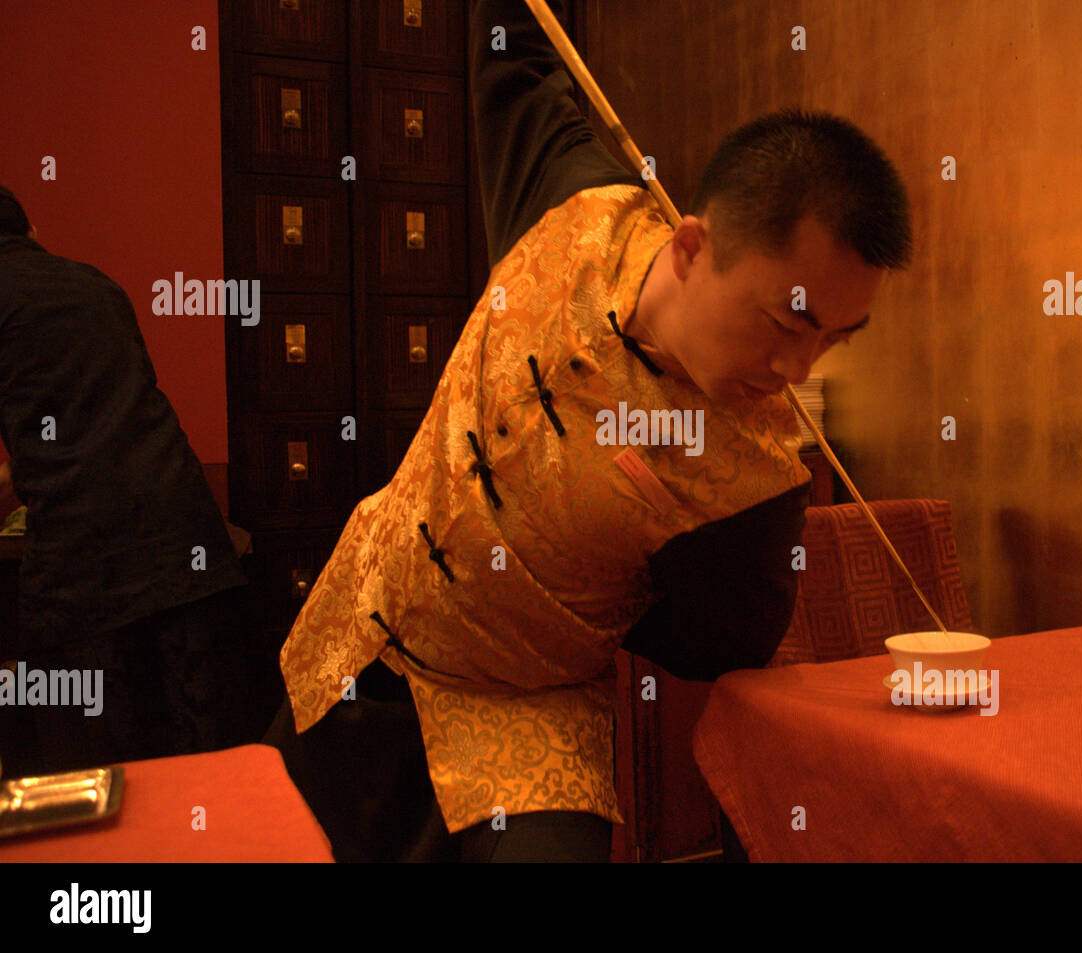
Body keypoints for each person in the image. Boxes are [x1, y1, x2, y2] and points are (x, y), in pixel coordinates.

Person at [264, 0, 912, 863]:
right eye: (789, 322)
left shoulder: (757, 487)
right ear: (691, 245)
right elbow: (517, 54)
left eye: (835, 337)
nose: (800, 370)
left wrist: (585, 594)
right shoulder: (572, 199)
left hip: (522, 710)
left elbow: (720, 642)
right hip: (363, 615)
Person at [0, 185, 278, 777]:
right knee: (210, 772)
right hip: (188, 544)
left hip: (84, 573)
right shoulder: (96, 284)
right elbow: (116, 409)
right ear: (30, 235)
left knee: (90, 790)